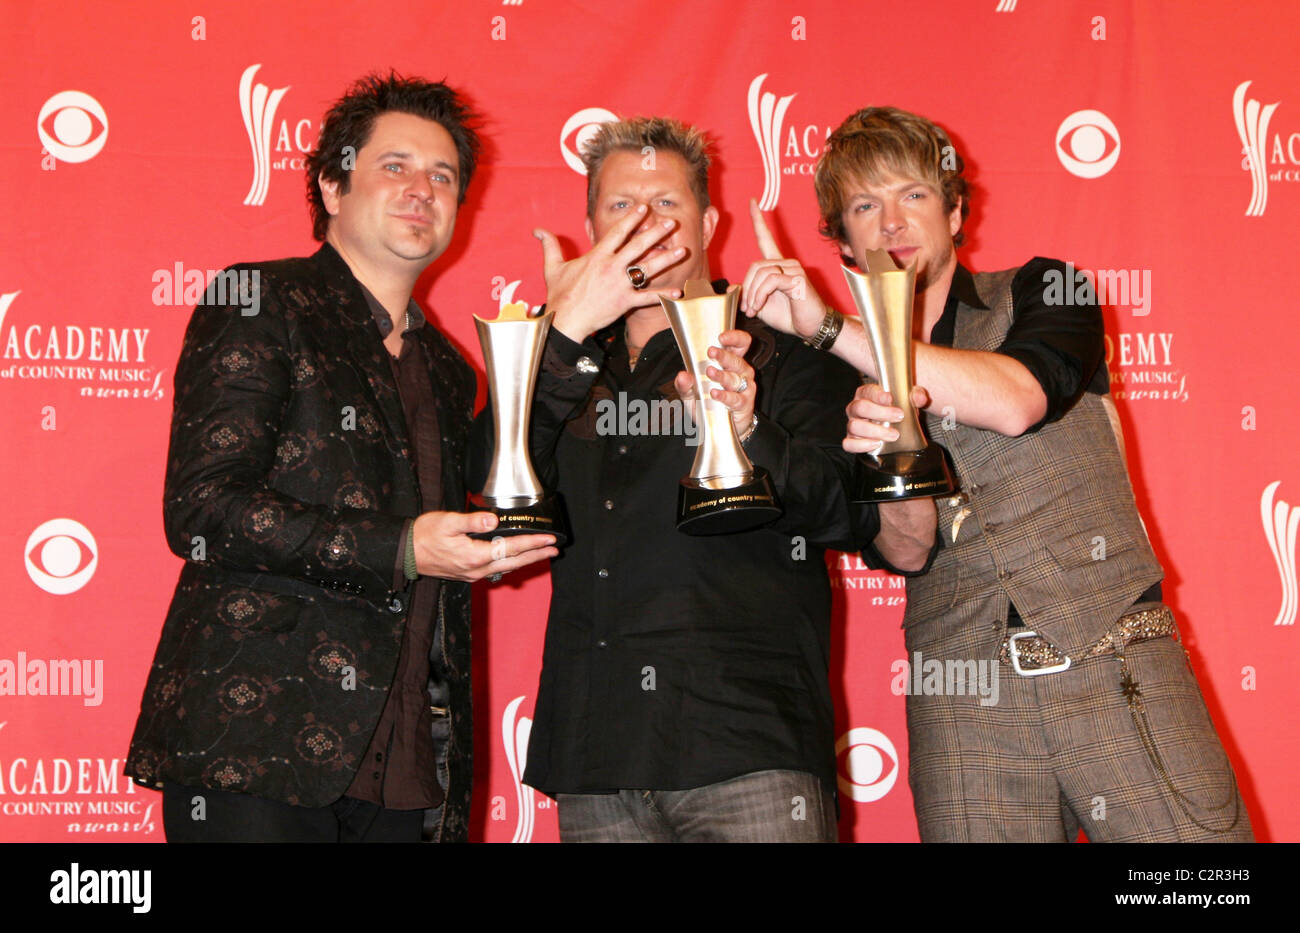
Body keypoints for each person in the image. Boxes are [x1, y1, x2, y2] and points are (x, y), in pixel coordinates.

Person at [743, 106, 1252, 842]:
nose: (891, 221)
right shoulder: (833, 384)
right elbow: (908, 549)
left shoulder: (1047, 287)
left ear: (954, 209)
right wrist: (895, 455)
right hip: (964, 705)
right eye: (863, 205)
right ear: (844, 242)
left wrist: (830, 327)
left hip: (1116, 668)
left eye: (912, 194)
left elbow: (1018, 400)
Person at [125, 73, 556, 843]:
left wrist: (567, 343)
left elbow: (476, 507)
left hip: (407, 759)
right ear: (331, 185)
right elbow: (204, 508)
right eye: (394, 166)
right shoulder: (262, 300)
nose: (421, 188)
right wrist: (402, 546)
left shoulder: (454, 371)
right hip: (255, 745)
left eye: (443, 175)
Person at [472, 117, 870, 842]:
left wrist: (751, 429)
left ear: (711, 221)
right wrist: (559, 336)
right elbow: (490, 489)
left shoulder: (778, 342)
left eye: (667, 205)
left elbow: (852, 509)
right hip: (597, 755)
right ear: (589, 222)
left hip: (748, 746)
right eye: (621, 207)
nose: (645, 227)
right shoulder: (546, 353)